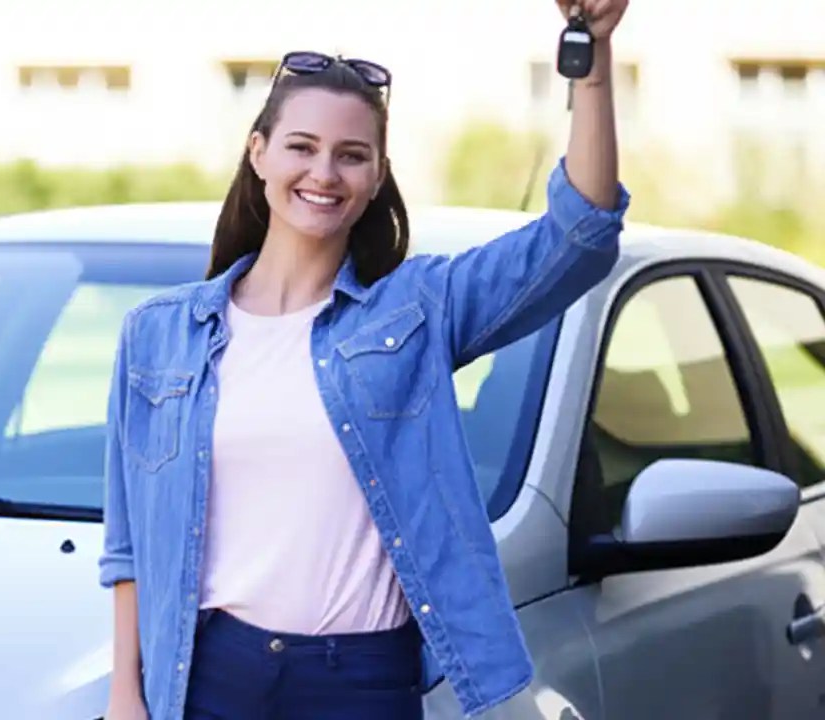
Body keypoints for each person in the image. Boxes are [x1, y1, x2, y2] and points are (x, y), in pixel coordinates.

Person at [100, 1, 631, 717]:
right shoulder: (159, 335)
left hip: (359, 680)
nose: (324, 171)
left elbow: (580, 238)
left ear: (378, 175)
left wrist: (591, 61)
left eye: (352, 155)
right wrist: (128, 696)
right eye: (301, 146)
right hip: (210, 676)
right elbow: (130, 543)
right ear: (258, 152)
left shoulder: (416, 311)